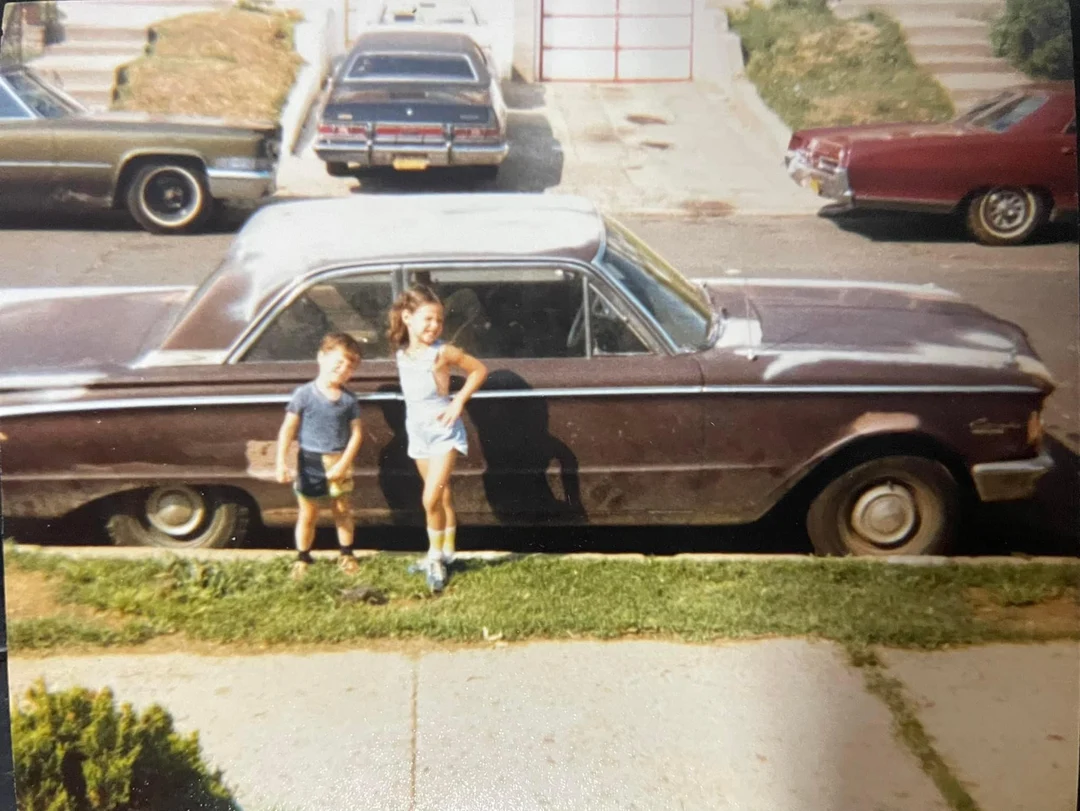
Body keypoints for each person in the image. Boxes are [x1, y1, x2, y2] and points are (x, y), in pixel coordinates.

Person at [389, 285, 488, 593]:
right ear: (407, 317)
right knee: (441, 497)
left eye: (439, 320)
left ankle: (434, 558)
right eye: (427, 319)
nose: (434, 326)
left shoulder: (443, 352)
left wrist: (458, 402)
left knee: (429, 499)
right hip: (417, 435)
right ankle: (447, 553)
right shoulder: (402, 354)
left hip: (444, 433)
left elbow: (479, 370)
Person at [275, 332, 365, 580]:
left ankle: (346, 554)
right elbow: (288, 429)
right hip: (310, 461)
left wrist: (344, 463)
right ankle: (303, 557)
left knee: (342, 510)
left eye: (350, 367)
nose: (343, 370)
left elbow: (357, 434)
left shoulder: (349, 400)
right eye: (338, 363)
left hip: (339, 461)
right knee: (308, 513)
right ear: (321, 358)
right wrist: (281, 461)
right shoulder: (303, 394)